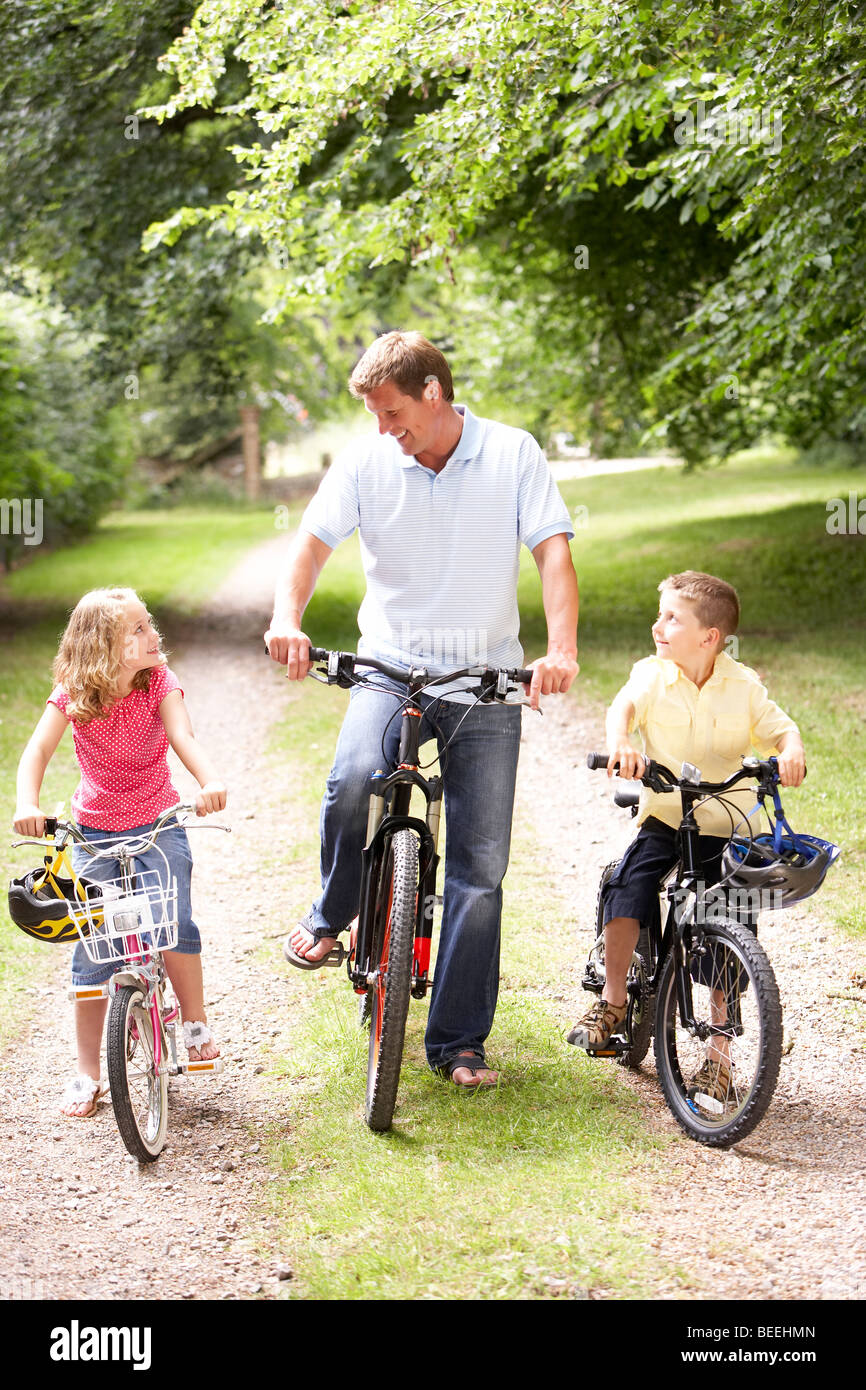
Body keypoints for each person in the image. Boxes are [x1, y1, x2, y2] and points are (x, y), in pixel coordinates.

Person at [265, 330, 579, 1087]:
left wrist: (560, 649)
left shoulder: (512, 453)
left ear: (434, 392)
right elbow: (308, 548)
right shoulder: (369, 463)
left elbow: (554, 553)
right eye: (373, 414)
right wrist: (287, 616)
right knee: (350, 783)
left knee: (480, 863)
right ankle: (332, 914)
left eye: (393, 412)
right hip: (390, 669)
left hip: (485, 680)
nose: (383, 428)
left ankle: (460, 1042)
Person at [567, 570, 805, 1100]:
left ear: (709, 637)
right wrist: (621, 744)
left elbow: (782, 728)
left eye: (672, 617)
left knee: (732, 921)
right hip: (669, 817)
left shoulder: (743, 686)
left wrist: (790, 751)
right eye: (660, 614)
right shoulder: (652, 676)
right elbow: (622, 708)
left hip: (728, 826)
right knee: (629, 887)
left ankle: (719, 1060)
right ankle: (613, 1001)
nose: (658, 625)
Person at [13, 587, 227, 1117]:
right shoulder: (73, 691)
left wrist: (208, 780)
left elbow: (183, 736)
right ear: (102, 646)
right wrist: (27, 802)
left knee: (173, 918)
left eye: (149, 623)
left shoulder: (160, 683)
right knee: (91, 947)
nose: (153, 634)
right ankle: (88, 1070)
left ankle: (194, 1020)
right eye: (138, 629)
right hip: (92, 833)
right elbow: (38, 749)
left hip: (157, 821)